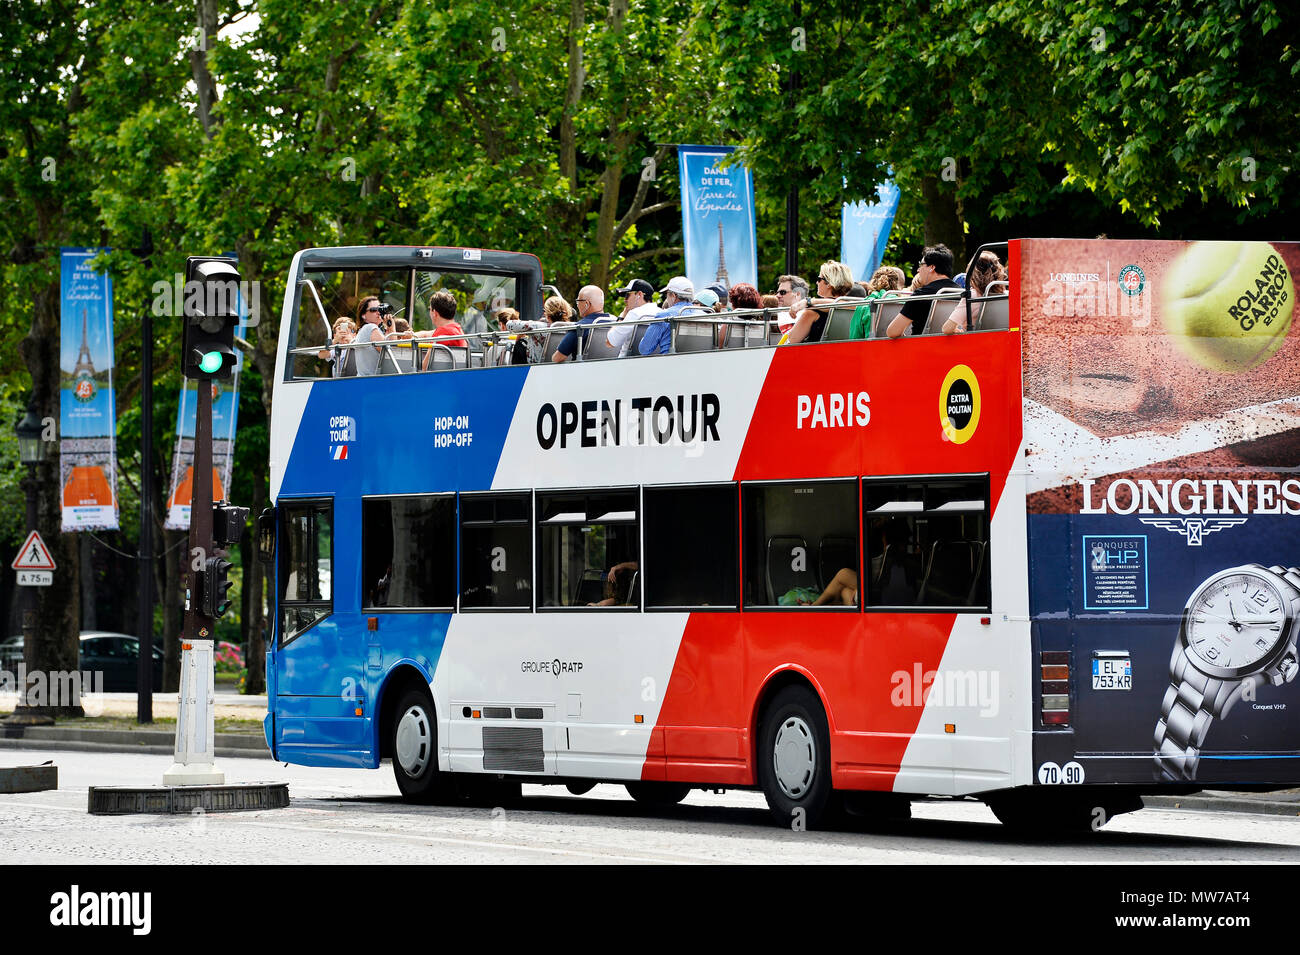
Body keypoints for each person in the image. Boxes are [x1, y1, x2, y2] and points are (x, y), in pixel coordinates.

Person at [886, 244, 961, 338]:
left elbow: (892, 332)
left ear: (932, 267)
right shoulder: (961, 293)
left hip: (922, 348)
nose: (918, 270)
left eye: (921, 265)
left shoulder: (921, 295)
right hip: (954, 348)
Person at [786, 261, 855, 344]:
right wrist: (809, 302)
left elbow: (791, 341)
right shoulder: (854, 306)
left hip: (814, 354)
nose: (816, 282)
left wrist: (809, 301)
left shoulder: (811, 313)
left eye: (819, 279)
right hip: (846, 352)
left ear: (829, 283)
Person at [940, 251, 1005, 335]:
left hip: (975, 342)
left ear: (972, 273)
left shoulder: (972, 296)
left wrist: (956, 330)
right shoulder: (1005, 295)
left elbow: (947, 329)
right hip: (1000, 340)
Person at [638, 276, 705, 356]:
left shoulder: (664, 315)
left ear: (673, 296)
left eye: (667, 294)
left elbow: (645, 349)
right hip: (700, 362)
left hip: (670, 363)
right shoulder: (703, 315)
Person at [554, 285, 612, 362]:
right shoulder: (615, 323)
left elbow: (557, 358)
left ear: (586, 304)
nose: (577, 305)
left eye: (578, 301)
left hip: (581, 371)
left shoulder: (580, 328)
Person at [606, 279, 660, 358]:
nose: (625, 300)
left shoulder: (635, 314)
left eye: (627, 295)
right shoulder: (661, 313)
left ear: (639, 294)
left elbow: (610, 342)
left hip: (626, 364)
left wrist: (622, 316)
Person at [850, 266, 907, 339]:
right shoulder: (903, 304)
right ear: (896, 285)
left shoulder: (863, 305)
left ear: (872, 282)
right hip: (899, 348)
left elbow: (854, 338)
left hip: (870, 348)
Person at [419, 289, 467, 370]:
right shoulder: (457, 329)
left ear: (434, 313)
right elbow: (427, 334)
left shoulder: (441, 334)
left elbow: (425, 367)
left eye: (429, 309)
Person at [352, 296, 390, 376]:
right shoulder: (370, 328)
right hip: (371, 381)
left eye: (380, 309)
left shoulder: (367, 329)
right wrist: (392, 329)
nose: (378, 312)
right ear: (363, 315)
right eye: (373, 310)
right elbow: (389, 353)